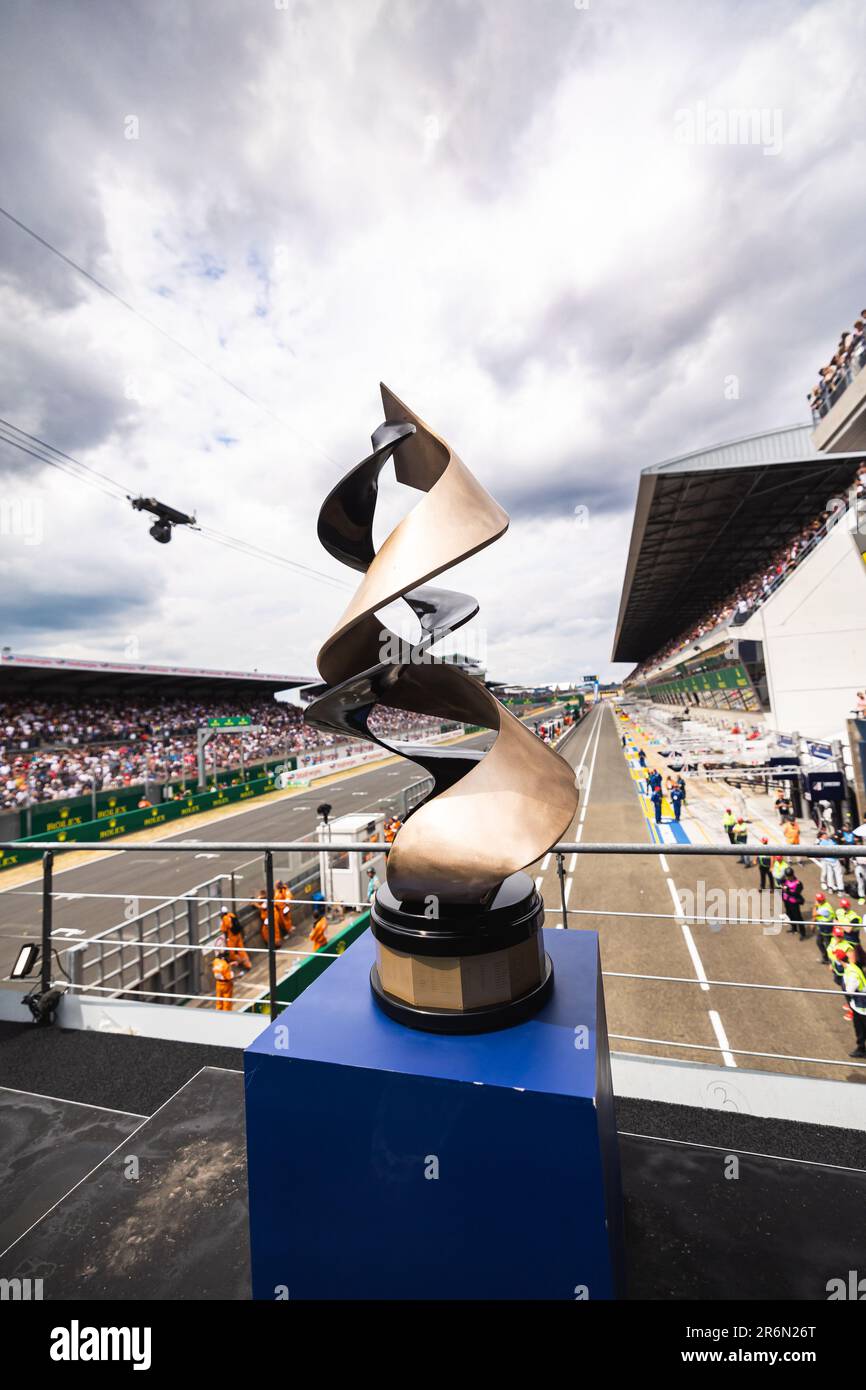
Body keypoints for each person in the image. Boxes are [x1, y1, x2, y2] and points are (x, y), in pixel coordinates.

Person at [841, 944, 866, 1057]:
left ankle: (861, 1049)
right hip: (859, 1006)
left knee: (860, 1029)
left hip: (861, 1008)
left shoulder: (852, 973)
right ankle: (861, 1048)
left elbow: (850, 991)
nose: (852, 954)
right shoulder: (853, 966)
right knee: (860, 1029)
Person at [221, 904, 251, 972]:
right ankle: (248, 964)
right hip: (238, 935)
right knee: (242, 950)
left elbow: (224, 930)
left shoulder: (225, 918)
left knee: (232, 954)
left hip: (232, 937)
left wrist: (226, 939)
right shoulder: (232, 915)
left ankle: (240, 961)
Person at [781, 867, 806, 938]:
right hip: (786, 901)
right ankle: (794, 928)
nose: (788, 878)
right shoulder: (784, 879)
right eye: (787, 876)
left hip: (794, 903)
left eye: (789, 876)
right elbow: (781, 884)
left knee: (798, 917)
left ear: (792, 875)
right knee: (790, 915)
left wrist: (787, 891)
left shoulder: (798, 883)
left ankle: (802, 932)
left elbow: (796, 893)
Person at [813, 892, 836, 964]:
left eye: (820, 900)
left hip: (827, 928)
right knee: (819, 942)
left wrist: (814, 906)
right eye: (818, 900)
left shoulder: (825, 908)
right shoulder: (821, 905)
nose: (820, 901)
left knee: (828, 945)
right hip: (822, 927)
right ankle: (825, 958)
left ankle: (832, 961)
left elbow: (814, 914)